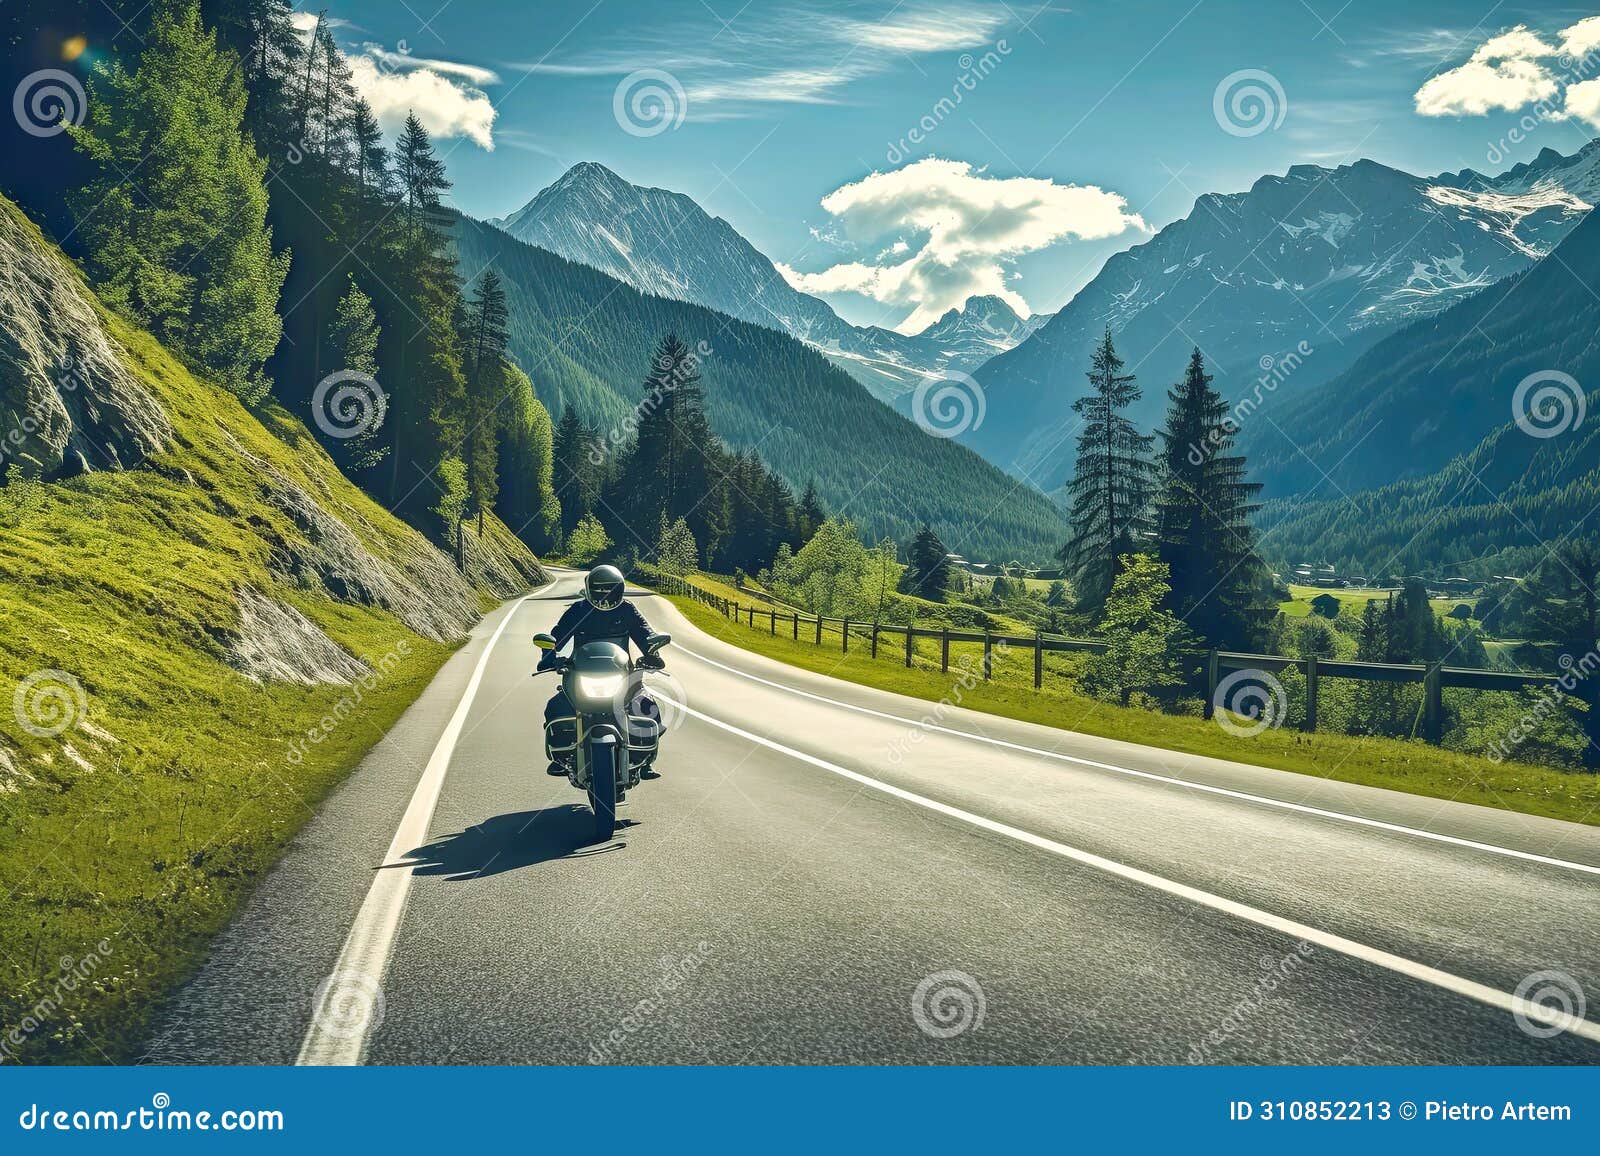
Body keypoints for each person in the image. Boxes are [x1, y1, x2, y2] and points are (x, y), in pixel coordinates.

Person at [541, 565, 663, 777]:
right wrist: (549, 657)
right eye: (600, 590)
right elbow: (557, 636)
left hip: (622, 674)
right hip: (581, 673)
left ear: (620, 589)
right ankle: (562, 757)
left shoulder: (627, 610)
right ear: (590, 590)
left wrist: (652, 654)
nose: (605, 595)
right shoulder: (578, 611)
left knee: (647, 706)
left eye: (610, 589)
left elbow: (645, 634)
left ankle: (645, 759)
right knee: (556, 707)